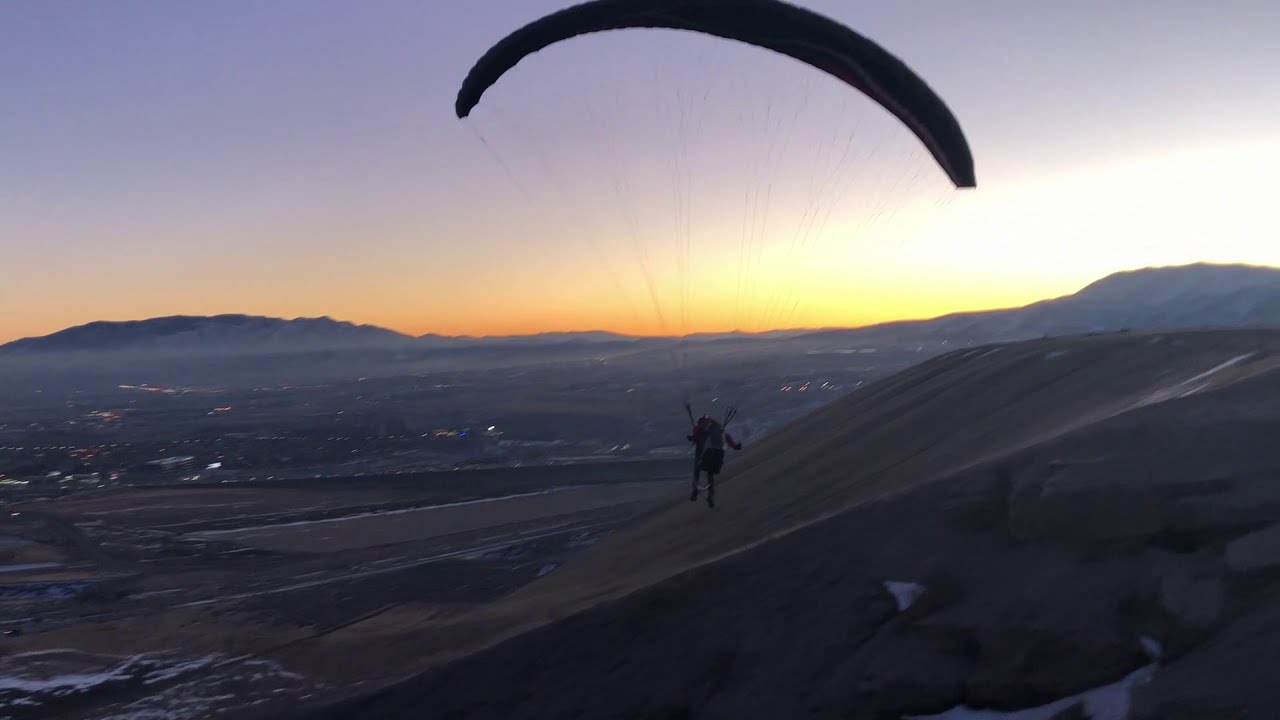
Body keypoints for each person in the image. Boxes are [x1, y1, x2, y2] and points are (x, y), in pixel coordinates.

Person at [687, 414, 741, 508]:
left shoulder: (699, 428)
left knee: (696, 472)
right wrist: (735, 446)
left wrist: (691, 438)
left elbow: (695, 438)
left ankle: (695, 492)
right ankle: (710, 495)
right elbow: (727, 437)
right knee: (710, 475)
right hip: (717, 455)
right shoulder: (717, 428)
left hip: (703, 456)